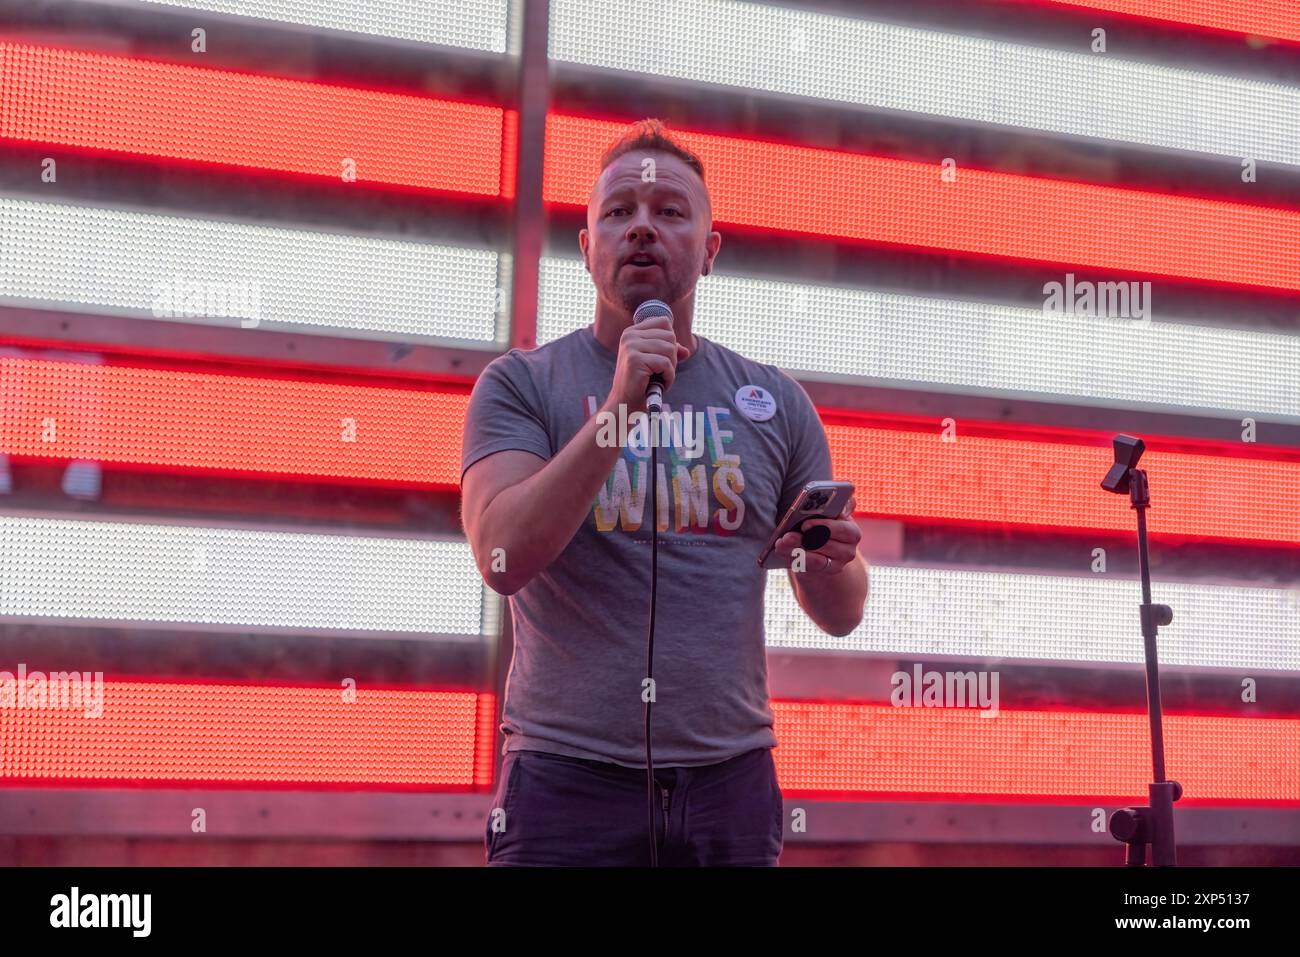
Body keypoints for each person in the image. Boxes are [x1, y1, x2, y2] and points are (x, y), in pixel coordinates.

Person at [460, 118, 869, 866]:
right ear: (586, 249)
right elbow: (501, 555)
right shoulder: (521, 387)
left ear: (709, 251)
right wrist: (618, 406)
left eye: (669, 212)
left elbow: (841, 614)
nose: (641, 228)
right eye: (618, 212)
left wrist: (832, 558)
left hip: (730, 785)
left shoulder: (773, 400)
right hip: (566, 784)